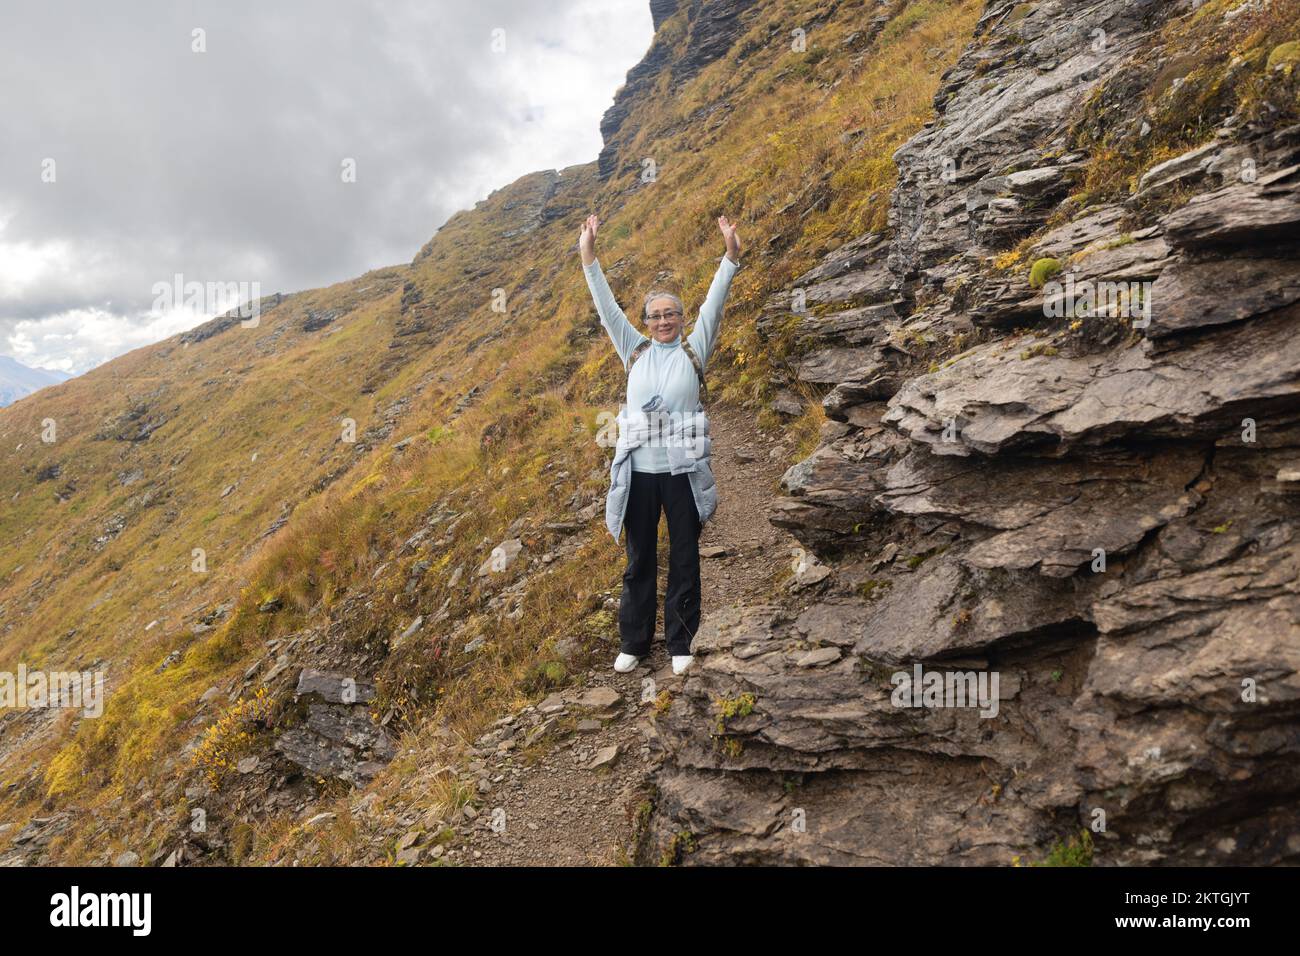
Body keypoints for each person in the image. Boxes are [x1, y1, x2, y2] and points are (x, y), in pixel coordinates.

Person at [578, 213, 741, 675]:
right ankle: (634, 641)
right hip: (639, 474)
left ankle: (681, 644)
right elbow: (605, 306)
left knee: (685, 557)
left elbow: (716, 301)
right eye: (655, 315)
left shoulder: (694, 349)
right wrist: (588, 254)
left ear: (682, 319)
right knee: (639, 558)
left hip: (682, 471)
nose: (663, 320)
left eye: (671, 314)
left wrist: (730, 255)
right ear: (645, 321)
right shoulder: (633, 349)